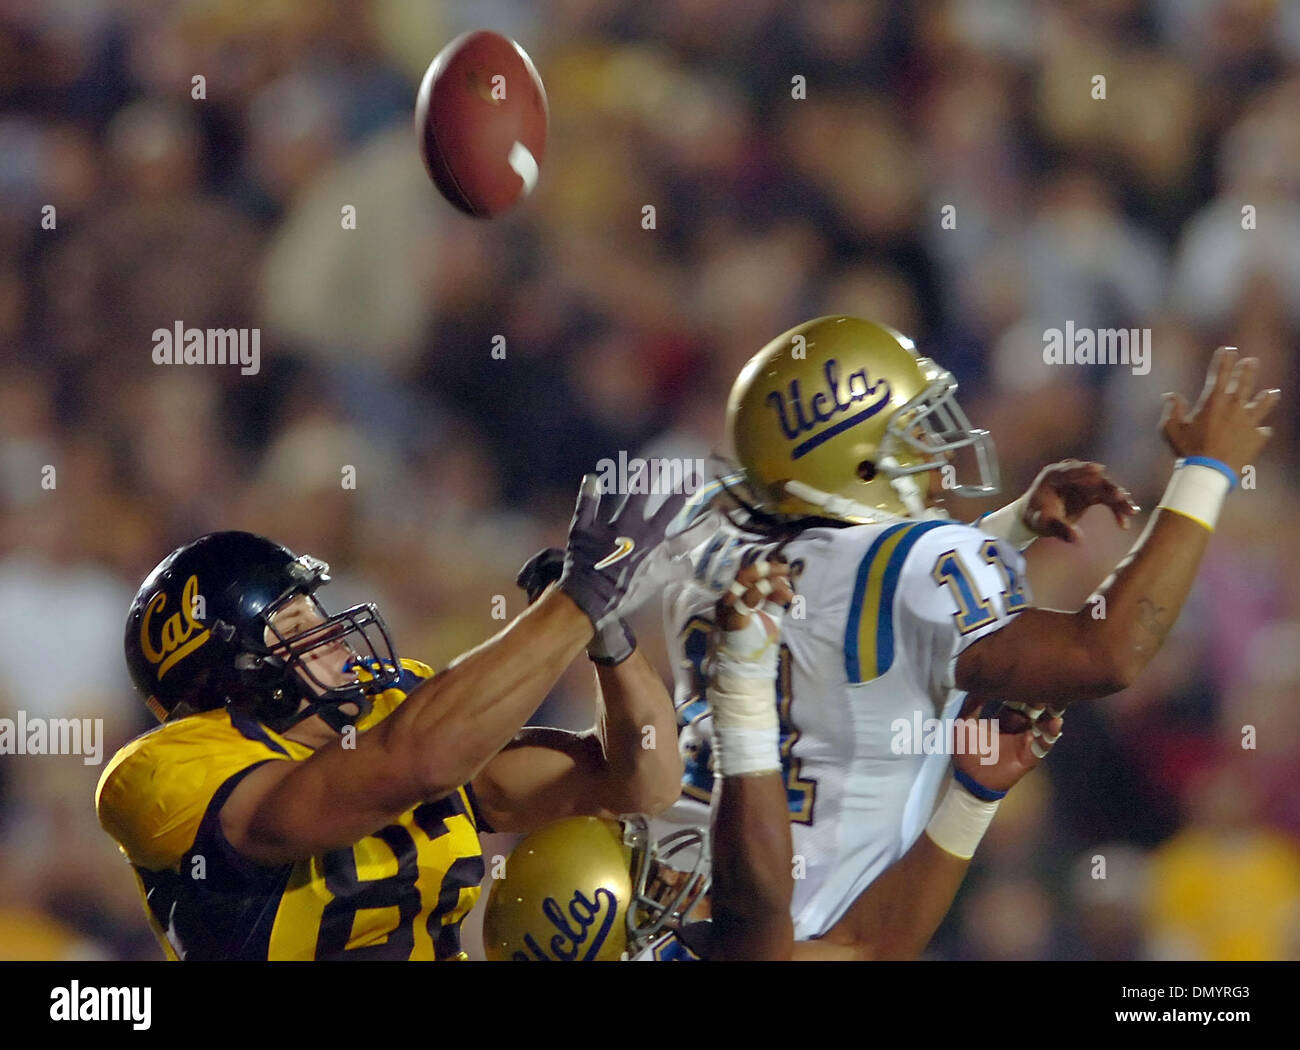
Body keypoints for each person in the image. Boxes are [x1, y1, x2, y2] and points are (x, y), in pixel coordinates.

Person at [658, 317, 1277, 959]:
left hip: (689, 925)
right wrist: (1205, 473)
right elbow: (1106, 654)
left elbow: (854, 622)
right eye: (912, 426)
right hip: (805, 932)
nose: (934, 442)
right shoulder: (915, 558)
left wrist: (1010, 529)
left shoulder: (718, 560)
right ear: (855, 458)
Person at [95, 476, 686, 960]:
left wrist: (606, 634)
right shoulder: (158, 774)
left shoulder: (394, 708)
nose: (332, 636)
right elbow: (408, 767)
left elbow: (640, 782)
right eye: (298, 628)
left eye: (317, 613)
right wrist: (580, 597)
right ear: (232, 675)